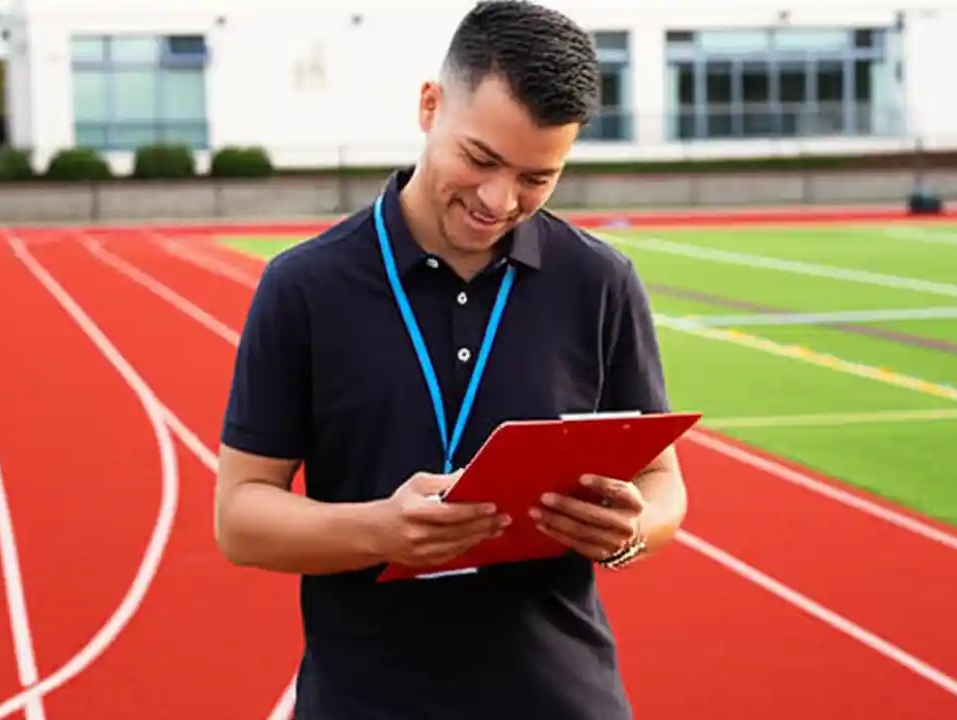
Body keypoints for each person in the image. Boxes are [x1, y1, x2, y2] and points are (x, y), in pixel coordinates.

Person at [213, 1, 688, 718]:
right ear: (429, 106)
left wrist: (631, 532)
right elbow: (240, 518)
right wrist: (382, 530)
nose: (499, 201)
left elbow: (662, 483)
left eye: (538, 178)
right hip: (367, 700)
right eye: (481, 159)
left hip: (560, 697)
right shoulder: (304, 287)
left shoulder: (599, 281)